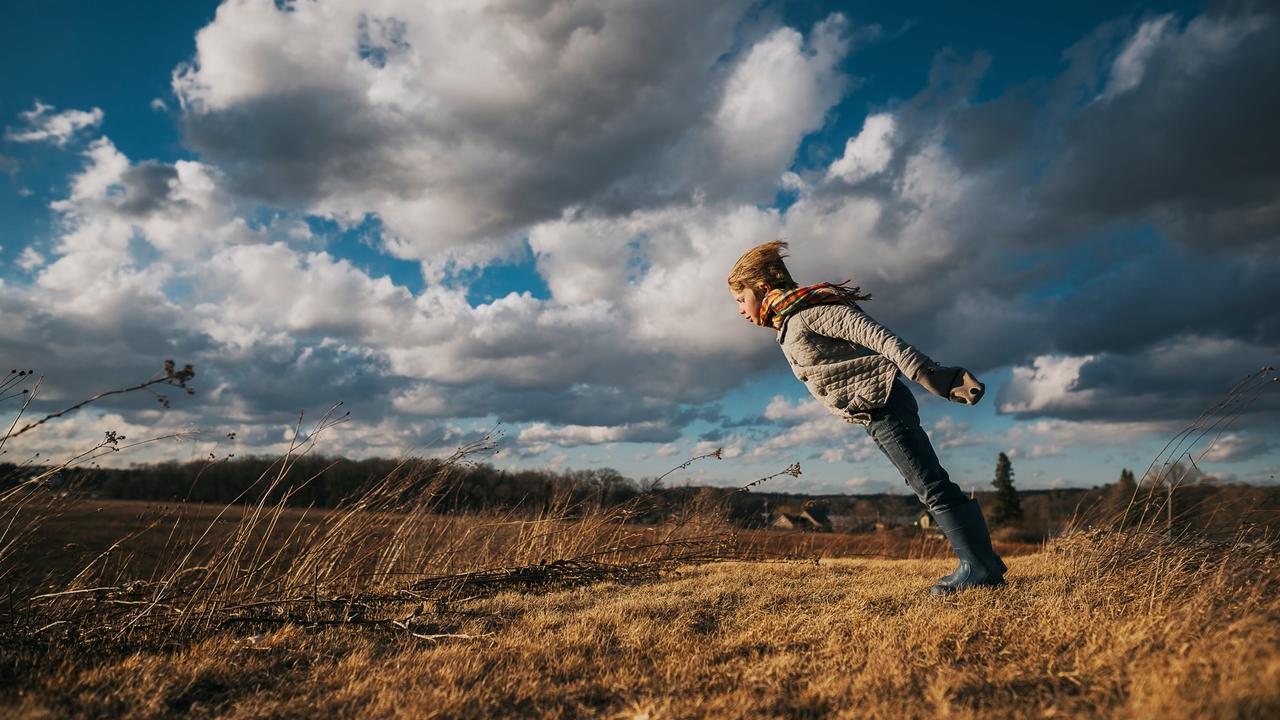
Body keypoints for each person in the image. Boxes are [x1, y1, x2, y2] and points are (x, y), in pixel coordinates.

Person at [727, 240, 1006, 594]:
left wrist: (930, 374)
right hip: (873, 411)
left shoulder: (812, 312)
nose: (739, 309)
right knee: (928, 484)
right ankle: (983, 562)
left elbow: (879, 337)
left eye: (740, 299)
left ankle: (979, 568)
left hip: (884, 403)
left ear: (764, 289)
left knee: (931, 486)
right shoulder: (789, 320)